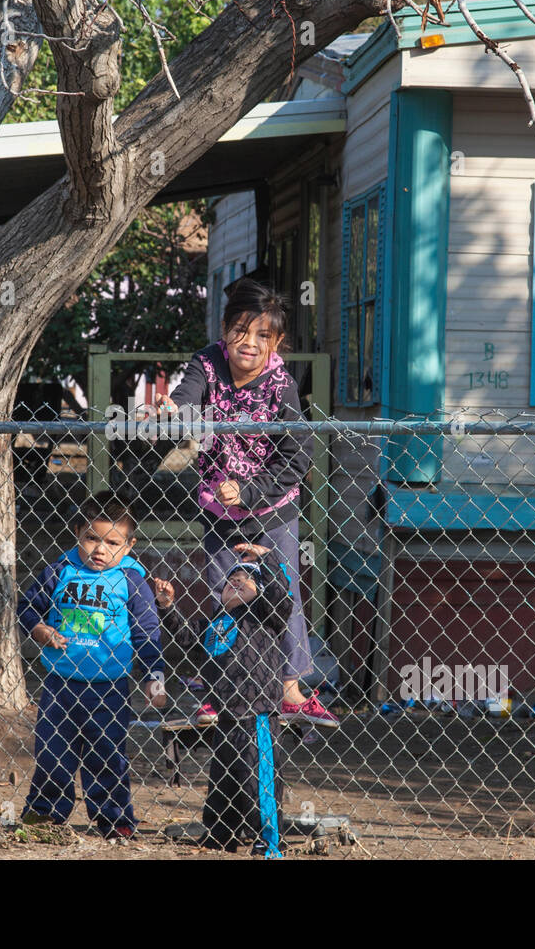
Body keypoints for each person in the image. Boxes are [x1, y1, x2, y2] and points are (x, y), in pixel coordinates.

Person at [153, 277, 338, 729]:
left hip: (273, 509)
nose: (249, 343)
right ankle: (220, 690)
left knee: (284, 597)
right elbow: (187, 396)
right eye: (240, 329)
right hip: (220, 512)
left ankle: (291, 689)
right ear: (224, 329)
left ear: (276, 342)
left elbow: (298, 455)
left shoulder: (281, 385)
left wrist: (252, 491)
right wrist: (174, 411)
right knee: (225, 595)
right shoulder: (207, 364)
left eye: (262, 335)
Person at [17, 492, 165, 839]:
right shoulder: (59, 570)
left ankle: (114, 820)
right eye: (91, 538)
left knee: (107, 756)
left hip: (109, 688)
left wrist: (154, 676)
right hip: (59, 684)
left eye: (112, 542)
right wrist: (39, 629)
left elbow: (147, 633)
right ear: (77, 532)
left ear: (129, 545)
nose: (100, 549)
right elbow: (27, 606)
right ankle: (44, 814)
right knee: (52, 753)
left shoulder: (132, 582)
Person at [154, 543, 292, 856]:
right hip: (226, 715)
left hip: (257, 712)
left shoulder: (265, 618)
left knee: (258, 780)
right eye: (231, 579)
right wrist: (168, 607)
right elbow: (186, 636)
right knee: (223, 782)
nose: (236, 581)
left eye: (246, 579)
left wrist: (265, 558)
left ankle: (268, 839)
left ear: (262, 589)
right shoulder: (216, 622)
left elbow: (281, 596)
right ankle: (220, 832)